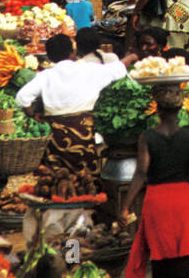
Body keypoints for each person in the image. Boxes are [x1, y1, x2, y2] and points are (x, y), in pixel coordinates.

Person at [120, 84, 189, 278]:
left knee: (161, 256)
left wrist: (126, 206)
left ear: (157, 109)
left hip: (156, 201)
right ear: (180, 109)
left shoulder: (146, 137)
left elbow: (140, 173)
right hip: (183, 198)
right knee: (188, 251)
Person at [16, 34, 126, 185]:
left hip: (57, 137)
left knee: (57, 180)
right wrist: (132, 56)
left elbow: (22, 98)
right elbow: (119, 70)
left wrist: (33, 114)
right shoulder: (88, 69)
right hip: (84, 135)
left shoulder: (46, 75)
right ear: (72, 53)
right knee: (86, 180)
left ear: (49, 56)